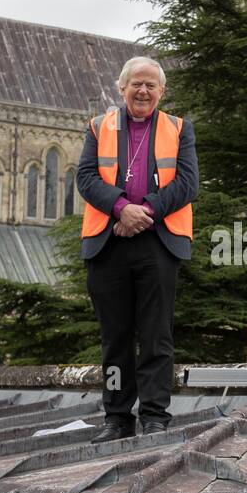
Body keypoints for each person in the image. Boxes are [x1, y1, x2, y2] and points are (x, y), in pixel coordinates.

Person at [76, 57, 199, 442]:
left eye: (151, 85)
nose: (143, 91)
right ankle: (116, 417)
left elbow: (188, 184)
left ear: (162, 92)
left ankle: (154, 416)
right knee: (115, 336)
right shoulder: (99, 127)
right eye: (136, 84)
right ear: (122, 87)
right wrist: (119, 208)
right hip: (109, 241)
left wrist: (143, 211)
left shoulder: (180, 129)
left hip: (158, 243)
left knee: (156, 333)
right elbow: (85, 176)